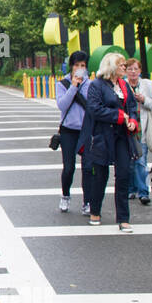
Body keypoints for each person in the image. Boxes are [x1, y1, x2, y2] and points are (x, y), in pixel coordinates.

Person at [85, 51, 140, 231]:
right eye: (121, 65)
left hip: (122, 136)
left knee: (124, 174)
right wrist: (118, 116)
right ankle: (95, 210)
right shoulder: (97, 85)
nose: (124, 68)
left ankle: (123, 218)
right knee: (100, 175)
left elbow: (132, 107)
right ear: (111, 66)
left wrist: (132, 120)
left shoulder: (124, 85)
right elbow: (94, 109)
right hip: (103, 135)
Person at [55, 50, 92, 214]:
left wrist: (82, 85)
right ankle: (65, 195)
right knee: (69, 167)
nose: (79, 68)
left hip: (85, 130)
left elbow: (92, 106)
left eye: (82, 65)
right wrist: (73, 86)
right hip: (68, 131)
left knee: (88, 167)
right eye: (76, 65)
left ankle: (88, 201)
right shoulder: (62, 84)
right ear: (71, 66)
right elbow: (62, 105)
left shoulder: (91, 85)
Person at [124, 58, 152, 206]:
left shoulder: (148, 85)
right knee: (130, 162)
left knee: (141, 161)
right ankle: (131, 188)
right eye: (130, 69)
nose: (133, 72)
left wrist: (144, 99)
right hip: (127, 128)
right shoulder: (121, 85)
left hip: (142, 129)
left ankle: (143, 192)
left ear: (140, 71)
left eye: (135, 69)